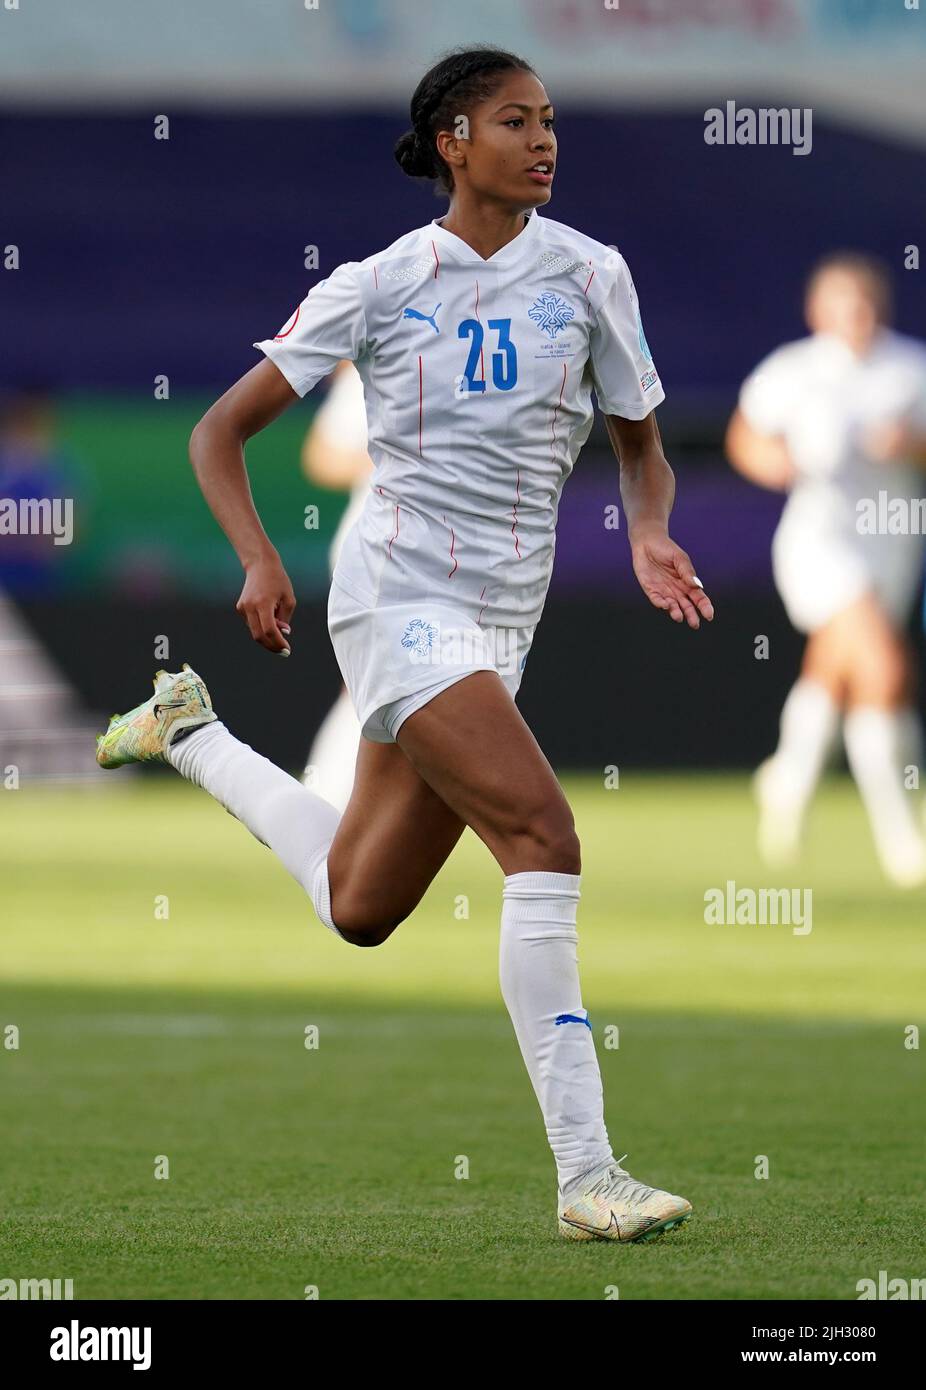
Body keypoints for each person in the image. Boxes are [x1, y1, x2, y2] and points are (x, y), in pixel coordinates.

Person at [96, 46, 713, 1242]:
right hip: (394, 591)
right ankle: (586, 1174)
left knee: (359, 905)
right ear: (452, 141)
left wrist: (647, 534)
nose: (542, 141)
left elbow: (641, 442)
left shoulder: (590, 274)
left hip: (497, 618)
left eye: (549, 122)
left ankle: (187, 729)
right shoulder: (380, 282)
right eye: (515, 121)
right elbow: (219, 434)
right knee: (541, 831)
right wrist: (262, 558)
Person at [727, 253, 926, 886]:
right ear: (819, 310)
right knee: (886, 669)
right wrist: (776, 464)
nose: (855, 317)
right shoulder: (794, 371)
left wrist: (909, 445)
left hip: (892, 543)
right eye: (842, 305)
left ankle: (787, 782)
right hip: (819, 544)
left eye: (865, 304)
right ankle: (901, 840)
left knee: (838, 676)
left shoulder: (910, 369)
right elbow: (747, 437)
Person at [300, 361, 370, 812]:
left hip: (438, 556)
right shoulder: (366, 376)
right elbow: (320, 458)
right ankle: (321, 803)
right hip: (373, 552)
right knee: (366, 687)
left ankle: (325, 804)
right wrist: (398, 454)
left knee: (372, 689)